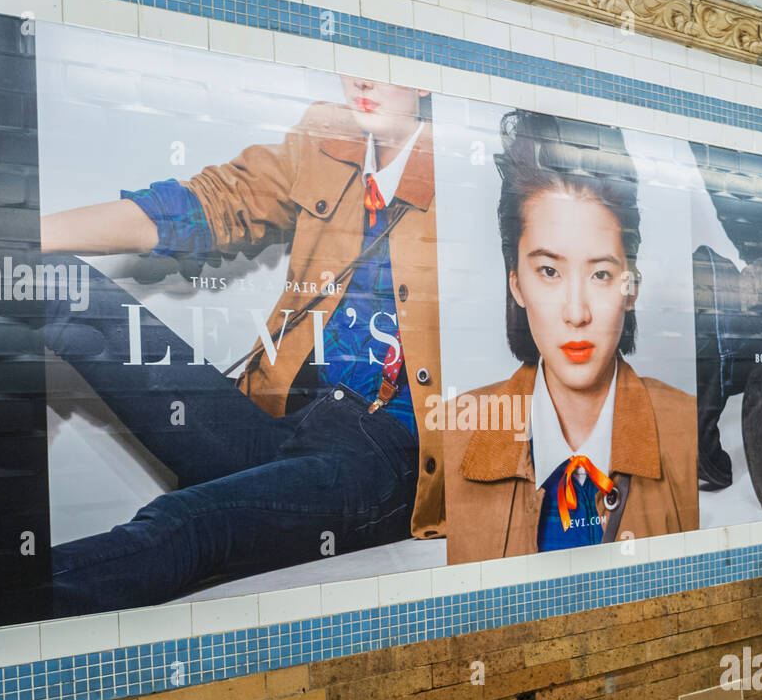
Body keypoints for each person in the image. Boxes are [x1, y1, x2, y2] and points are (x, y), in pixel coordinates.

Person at [35, 77, 444, 615]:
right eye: (356, 58)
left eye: (388, 59)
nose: (364, 78)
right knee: (53, 283)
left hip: (383, 458)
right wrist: (17, 233)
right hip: (285, 420)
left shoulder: (465, 175)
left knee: (184, 522)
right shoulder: (328, 135)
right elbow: (208, 205)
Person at [443, 110, 699, 565]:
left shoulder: (688, 428)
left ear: (631, 286)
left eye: (601, 273)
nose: (576, 313)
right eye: (549, 271)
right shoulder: (454, 435)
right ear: (516, 283)